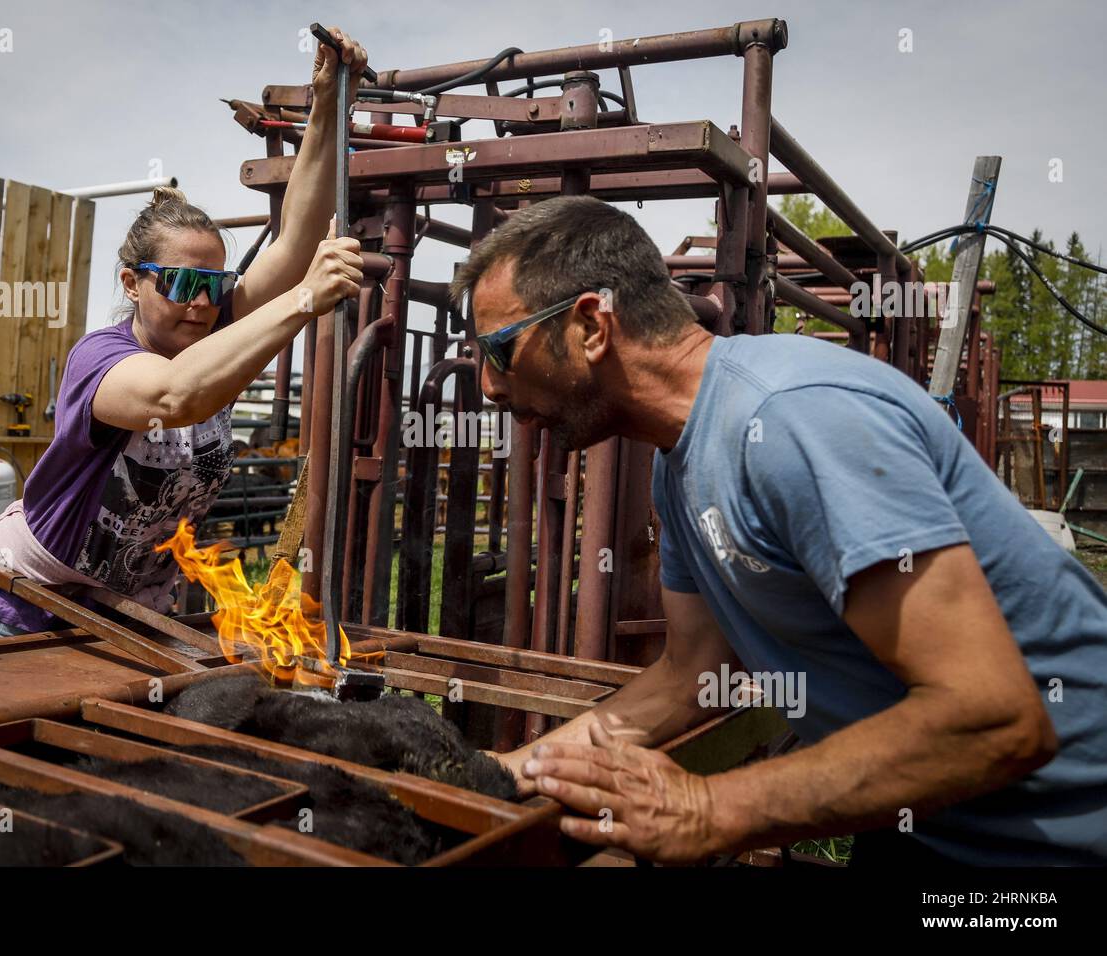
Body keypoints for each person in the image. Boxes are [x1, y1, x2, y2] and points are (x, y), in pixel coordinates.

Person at [453, 195, 1107, 865]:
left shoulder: (793, 420)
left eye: (499, 349)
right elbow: (691, 673)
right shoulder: (680, 464)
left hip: (1063, 838)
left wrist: (710, 810)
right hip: (932, 813)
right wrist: (506, 775)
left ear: (592, 325)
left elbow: (994, 716)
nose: (489, 388)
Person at [0, 29, 370, 636]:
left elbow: (297, 241)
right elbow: (175, 394)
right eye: (178, 282)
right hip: (26, 615)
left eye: (214, 284)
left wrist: (326, 103)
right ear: (131, 282)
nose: (201, 302)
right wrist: (303, 299)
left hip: (119, 624)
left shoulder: (216, 329)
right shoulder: (102, 361)